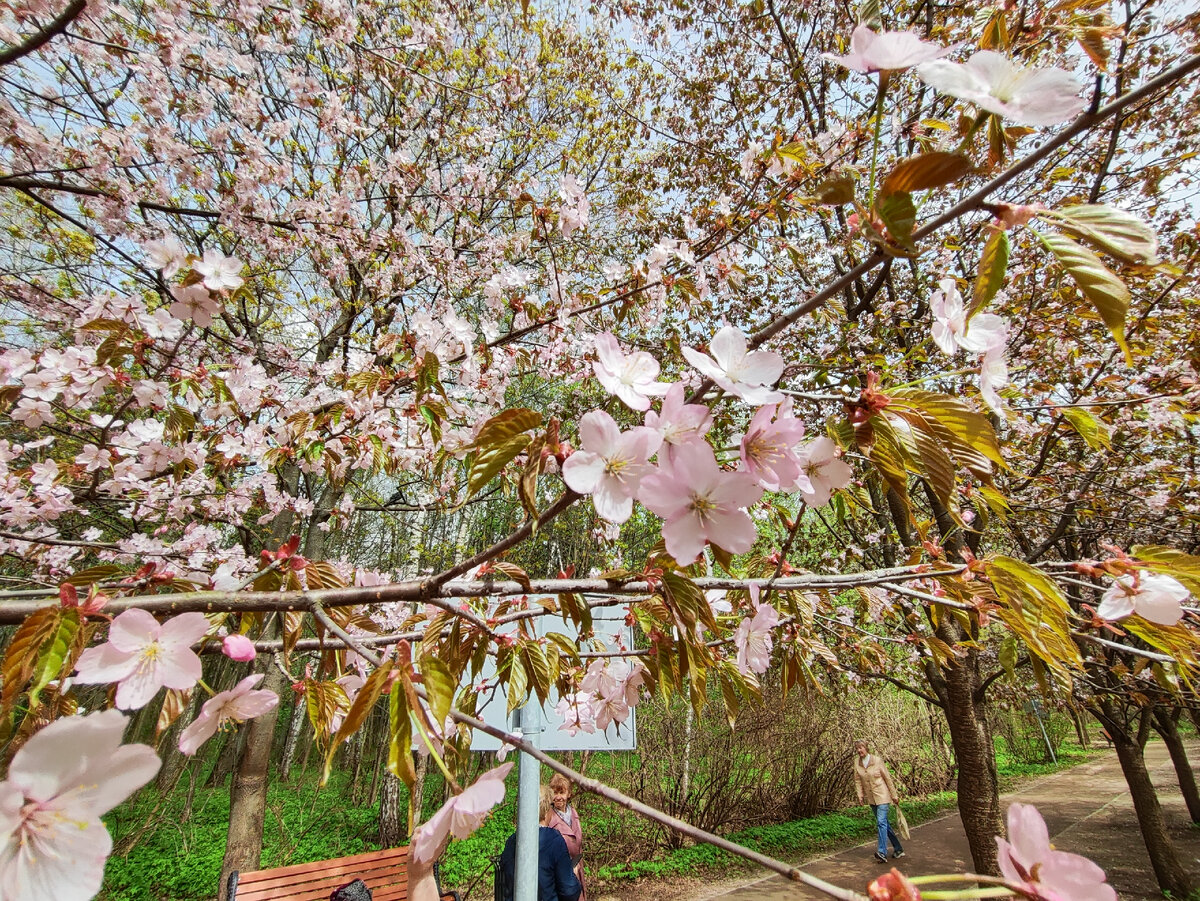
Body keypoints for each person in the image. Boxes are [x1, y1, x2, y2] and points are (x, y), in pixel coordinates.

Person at [498, 788, 582, 901]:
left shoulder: (512, 841)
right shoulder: (554, 840)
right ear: (547, 810)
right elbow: (569, 891)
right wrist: (572, 874)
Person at [853, 739, 905, 863]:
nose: (859, 750)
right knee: (884, 824)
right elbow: (857, 780)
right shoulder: (856, 763)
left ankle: (882, 852)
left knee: (881, 822)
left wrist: (894, 795)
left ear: (866, 748)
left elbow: (887, 778)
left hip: (882, 796)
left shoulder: (877, 760)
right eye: (857, 748)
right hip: (871, 799)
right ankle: (898, 849)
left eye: (861, 748)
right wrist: (860, 795)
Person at [544, 774, 586, 901]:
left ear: (568, 794)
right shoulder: (547, 818)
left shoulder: (573, 812)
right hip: (560, 877)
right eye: (555, 793)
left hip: (577, 871)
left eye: (562, 792)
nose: (558, 797)